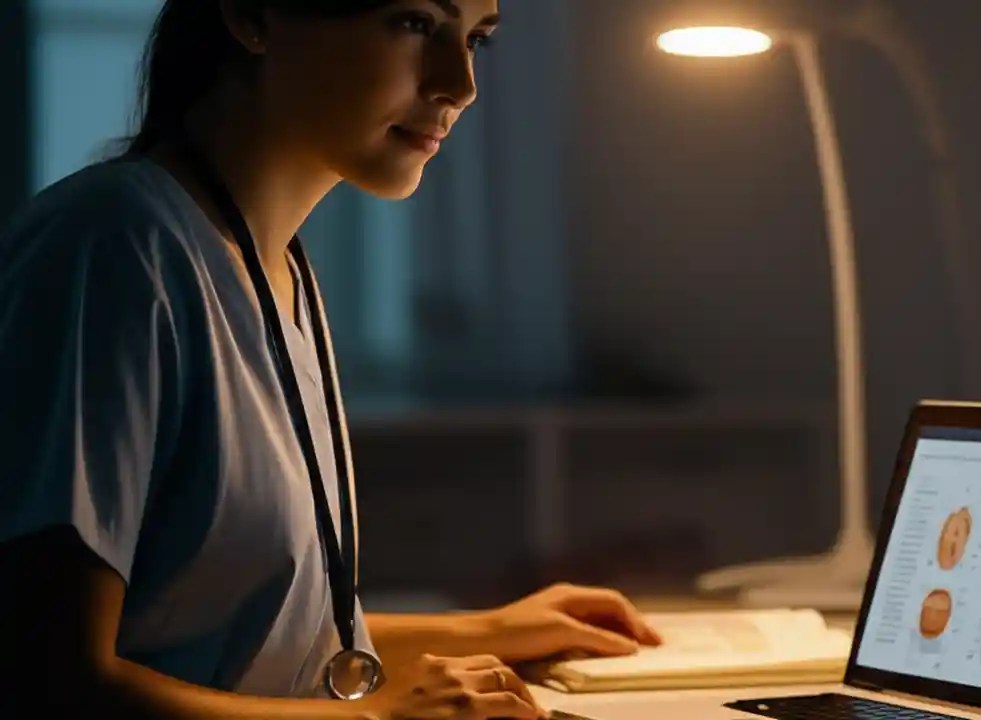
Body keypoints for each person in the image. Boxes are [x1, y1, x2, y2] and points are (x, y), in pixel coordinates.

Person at [0, 1, 660, 718]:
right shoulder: (111, 246)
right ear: (253, 15)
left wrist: (487, 631)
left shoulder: (277, 267)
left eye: (475, 40)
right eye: (414, 22)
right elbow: (51, 683)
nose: (460, 83)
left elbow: (248, 650)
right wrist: (378, 715)